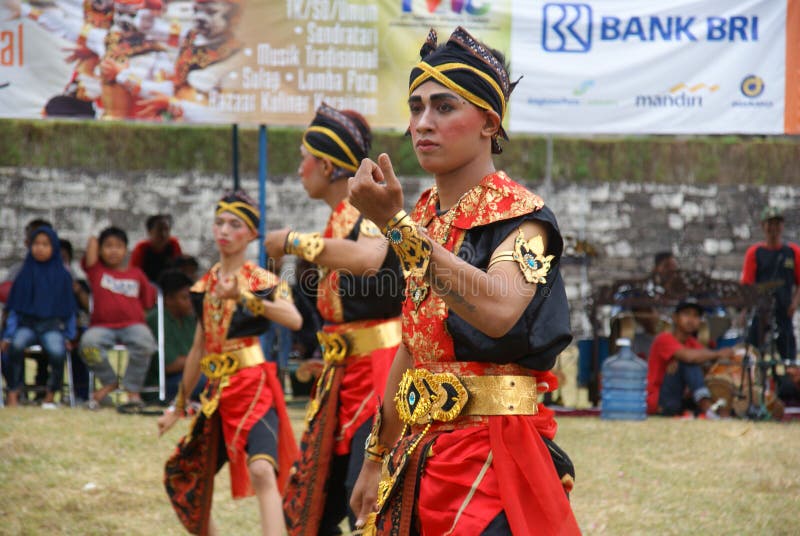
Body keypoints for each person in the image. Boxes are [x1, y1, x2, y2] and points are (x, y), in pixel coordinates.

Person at [347, 27, 579, 535]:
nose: (423, 124)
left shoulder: (526, 220)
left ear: (488, 122)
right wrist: (374, 455)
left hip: (493, 454)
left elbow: (497, 311)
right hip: (419, 451)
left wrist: (397, 227)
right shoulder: (426, 215)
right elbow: (414, 345)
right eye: (415, 108)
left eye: (444, 108)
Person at [264, 103, 404, 535]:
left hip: (380, 373)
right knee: (311, 497)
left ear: (326, 165)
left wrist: (291, 240)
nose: (299, 166)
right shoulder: (336, 222)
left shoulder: (367, 213)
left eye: (305, 156)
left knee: (361, 496)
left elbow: (368, 259)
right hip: (343, 375)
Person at [156, 190, 300, 536]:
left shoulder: (261, 281)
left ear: (251, 234)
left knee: (264, 471)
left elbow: (293, 318)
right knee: (182, 477)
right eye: (219, 222)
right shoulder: (204, 286)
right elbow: (198, 348)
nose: (224, 230)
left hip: (253, 387)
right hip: (217, 395)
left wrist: (244, 297)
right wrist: (178, 405)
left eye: (234, 224)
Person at [79, 226, 158, 409]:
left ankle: (133, 392)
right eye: (108, 246)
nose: (113, 250)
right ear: (100, 250)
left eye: (118, 246)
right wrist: (95, 230)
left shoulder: (137, 274)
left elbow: (147, 302)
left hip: (133, 325)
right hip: (101, 327)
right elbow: (91, 244)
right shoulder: (96, 271)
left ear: (126, 250)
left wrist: (136, 317)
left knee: (146, 343)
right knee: (88, 345)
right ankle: (109, 382)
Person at [1, 226, 77, 408]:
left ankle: (51, 394)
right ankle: (13, 393)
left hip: (52, 326)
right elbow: (15, 309)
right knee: (16, 347)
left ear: (54, 247)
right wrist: (8, 336)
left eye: (45, 244)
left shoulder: (63, 276)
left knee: (58, 352)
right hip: (26, 325)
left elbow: (69, 310)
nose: (40, 248)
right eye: (36, 244)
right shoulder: (24, 274)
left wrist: (69, 335)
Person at [646, 298, 734, 417]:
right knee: (687, 361)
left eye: (696, 316)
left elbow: (703, 359)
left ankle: (717, 409)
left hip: (680, 398)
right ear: (675, 318)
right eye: (686, 314)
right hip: (659, 400)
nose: (691, 320)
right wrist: (717, 353)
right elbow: (689, 357)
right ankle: (707, 407)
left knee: (698, 365)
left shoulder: (692, 343)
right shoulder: (664, 338)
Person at [741, 206, 800, 362]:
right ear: (763, 226)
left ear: (782, 226)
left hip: (784, 310)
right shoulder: (754, 253)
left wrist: (794, 303)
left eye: (777, 223)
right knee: (752, 352)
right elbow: (747, 284)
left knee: (788, 356)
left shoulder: (792, 252)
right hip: (761, 310)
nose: (773, 228)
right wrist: (746, 310)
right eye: (770, 224)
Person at [143, 269, 196, 403]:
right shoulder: (157, 318)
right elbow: (169, 366)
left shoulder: (189, 318)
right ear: (169, 299)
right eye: (185, 297)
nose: (191, 301)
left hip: (187, 375)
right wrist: (202, 359)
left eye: (191, 296)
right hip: (163, 386)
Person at [130, 214, 184, 283]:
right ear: (150, 232)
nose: (163, 234)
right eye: (159, 230)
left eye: (166, 230)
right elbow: (134, 273)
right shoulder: (142, 248)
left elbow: (180, 270)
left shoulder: (174, 244)